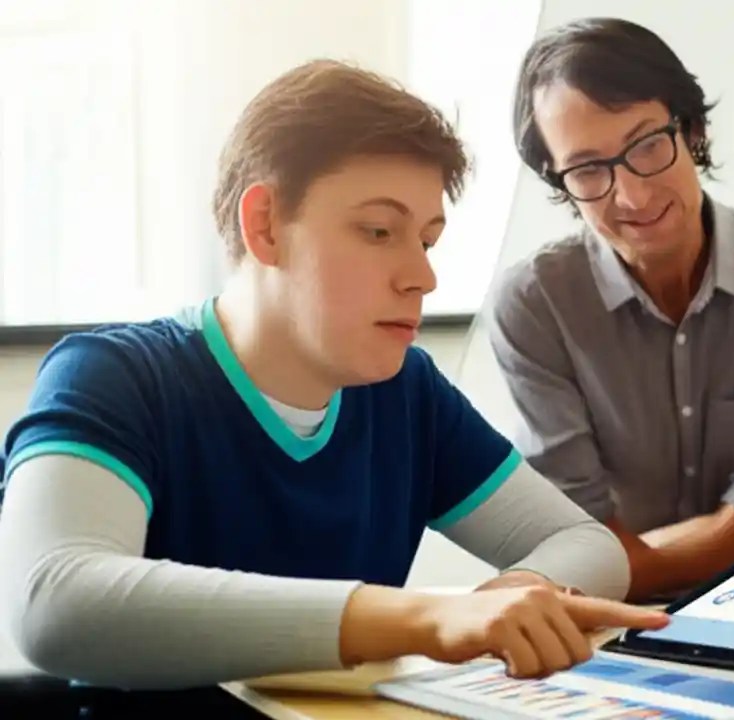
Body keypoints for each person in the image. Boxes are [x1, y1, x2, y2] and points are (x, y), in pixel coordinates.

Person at [0, 60, 667, 690]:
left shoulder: (408, 393)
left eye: (428, 240)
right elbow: (53, 602)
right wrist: (425, 619)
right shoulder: (113, 377)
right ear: (264, 225)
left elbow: (584, 544)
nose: (422, 276)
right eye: (379, 231)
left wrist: (500, 606)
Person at [490, 18, 734, 601]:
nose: (631, 195)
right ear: (560, 181)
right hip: (602, 628)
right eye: (587, 170)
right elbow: (587, 540)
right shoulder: (533, 304)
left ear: (693, 129)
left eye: (648, 145)